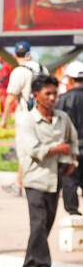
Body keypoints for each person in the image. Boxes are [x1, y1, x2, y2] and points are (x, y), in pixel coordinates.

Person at [15, 72, 79, 267]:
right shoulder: (27, 121)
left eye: (55, 94)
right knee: (38, 222)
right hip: (35, 178)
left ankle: (28, 263)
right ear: (36, 95)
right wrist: (59, 148)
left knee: (46, 223)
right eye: (47, 94)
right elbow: (36, 150)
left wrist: (71, 160)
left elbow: (73, 140)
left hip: (56, 177)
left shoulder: (63, 118)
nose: (52, 98)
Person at [1, 42, 47, 198]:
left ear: (15, 55)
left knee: (24, 151)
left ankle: (19, 184)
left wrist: (4, 119)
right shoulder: (42, 69)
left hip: (25, 117)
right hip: (42, 116)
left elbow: (10, 98)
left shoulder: (19, 72)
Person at [56, 61, 83, 217]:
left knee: (70, 181)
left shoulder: (63, 99)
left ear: (70, 80)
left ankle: (73, 214)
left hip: (70, 149)